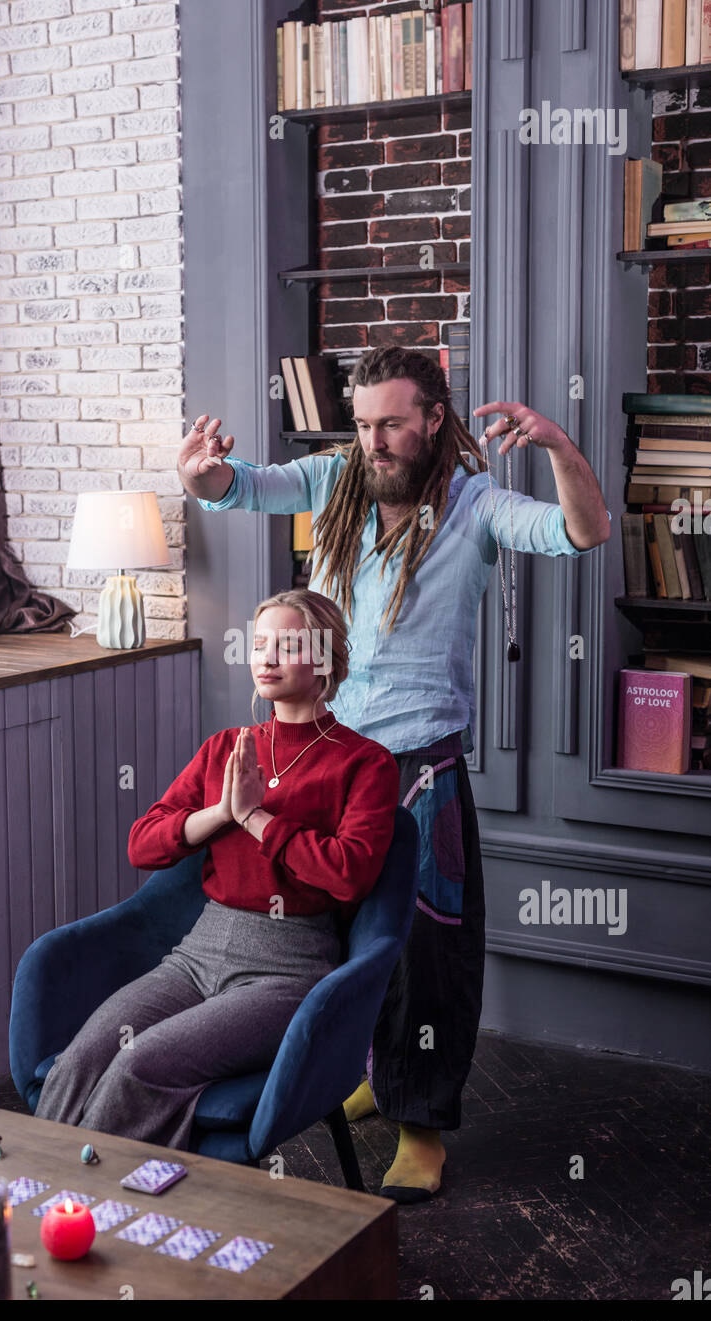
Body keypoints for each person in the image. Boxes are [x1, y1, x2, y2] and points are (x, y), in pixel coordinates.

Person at [178, 345, 611, 1201]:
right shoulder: (339, 480)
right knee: (334, 935)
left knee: (427, 947)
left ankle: (422, 1126)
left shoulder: (478, 505)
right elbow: (246, 487)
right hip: (330, 756)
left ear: (433, 421)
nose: (373, 441)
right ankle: (374, 1071)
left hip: (419, 767)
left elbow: (579, 532)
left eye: (391, 425)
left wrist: (561, 450)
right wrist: (201, 475)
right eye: (363, 423)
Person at [34, 588, 400, 1151]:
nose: (266, 659)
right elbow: (143, 845)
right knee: (84, 1055)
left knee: (141, 1062)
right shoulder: (226, 748)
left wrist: (255, 818)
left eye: (287, 645)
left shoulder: (364, 762)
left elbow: (349, 873)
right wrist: (220, 813)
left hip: (289, 966)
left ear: (324, 658)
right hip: (199, 952)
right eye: (259, 645)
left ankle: (101, 1204)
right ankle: (41, 1192)